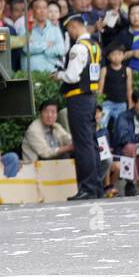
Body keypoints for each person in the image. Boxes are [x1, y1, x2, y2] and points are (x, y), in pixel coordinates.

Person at [53, 13, 101, 200]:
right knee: (91, 143)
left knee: (82, 145)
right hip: (90, 98)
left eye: (69, 30)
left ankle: (87, 188)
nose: (70, 34)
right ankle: (96, 187)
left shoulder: (79, 48)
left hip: (79, 99)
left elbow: (72, 76)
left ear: (74, 25)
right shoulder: (94, 45)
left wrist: (59, 75)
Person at [21, 99, 75, 164]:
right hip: (35, 167)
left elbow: (67, 139)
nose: (49, 115)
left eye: (53, 112)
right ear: (40, 114)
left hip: (52, 163)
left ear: (56, 115)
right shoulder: (33, 130)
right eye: (46, 112)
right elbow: (45, 153)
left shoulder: (56, 126)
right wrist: (68, 147)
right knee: (65, 155)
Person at [24, 0, 65, 73]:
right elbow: (26, 48)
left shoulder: (55, 28)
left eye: (45, 8)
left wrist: (45, 51)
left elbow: (61, 49)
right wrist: (46, 44)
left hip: (52, 73)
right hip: (32, 75)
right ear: (32, 11)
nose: (42, 11)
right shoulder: (25, 28)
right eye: (39, 8)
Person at [102, 42, 131, 123]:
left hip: (121, 103)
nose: (116, 57)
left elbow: (129, 89)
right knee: (102, 123)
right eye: (113, 54)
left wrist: (130, 103)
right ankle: (102, 136)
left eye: (119, 54)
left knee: (120, 126)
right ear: (108, 57)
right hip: (107, 103)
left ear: (123, 55)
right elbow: (100, 88)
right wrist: (99, 103)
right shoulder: (104, 70)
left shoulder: (127, 70)